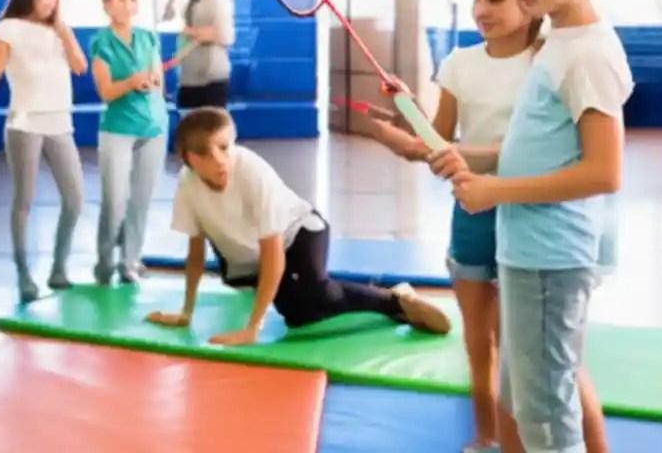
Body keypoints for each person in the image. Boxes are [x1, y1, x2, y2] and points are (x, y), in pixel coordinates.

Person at [434, 0, 631, 453]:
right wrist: (467, 159)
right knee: (522, 398)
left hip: (550, 257)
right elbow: (537, 149)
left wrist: (495, 191)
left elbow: (604, 171)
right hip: (525, 251)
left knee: (545, 414)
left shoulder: (587, 52)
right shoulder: (559, 43)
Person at [368, 0, 544, 453]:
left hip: (526, 216)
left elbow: (535, 148)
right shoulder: (460, 64)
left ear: (527, 1)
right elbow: (437, 143)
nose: (481, 9)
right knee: (477, 340)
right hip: (469, 213)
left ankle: (520, 440)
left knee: (516, 345)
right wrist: (407, 115)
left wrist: (451, 152)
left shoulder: (547, 62)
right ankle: (486, 435)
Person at [145, 107, 452, 346]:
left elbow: (273, 252)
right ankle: (340, 295)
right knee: (298, 315)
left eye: (224, 148)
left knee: (317, 296)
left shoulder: (251, 172)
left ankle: (394, 300)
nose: (219, 161)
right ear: (186, 159)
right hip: (254, 254)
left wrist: (253, 328)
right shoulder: (187, 184)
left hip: (300, 232)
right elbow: (195, 251)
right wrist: (185, 313)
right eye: (204, 154)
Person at [0, 0, 87, 303]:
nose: (52, 2)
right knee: (23, 201)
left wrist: (65, 33)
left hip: (60, 123)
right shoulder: (8, 27)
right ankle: (24, 274)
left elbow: (80, 67)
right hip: (24, 123)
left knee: (75, 199)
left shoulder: (59, 30)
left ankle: (59, 269)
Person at [88, 0, 169, 285]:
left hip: (154, 127)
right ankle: (105, 261)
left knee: (141, 200)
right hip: (118, 129)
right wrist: (131, 83)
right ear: (107, 4)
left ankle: (130, 261)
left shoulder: (148, 38)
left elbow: (158, 81)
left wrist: (151, 82)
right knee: (115, 200)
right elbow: (106, 91)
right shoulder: (101, 42)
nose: (127, 4)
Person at [161, 0, 234, 108]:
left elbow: (226, 35)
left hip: (211, 80)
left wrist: (191, 32)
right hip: (188, 79)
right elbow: (167, 17)